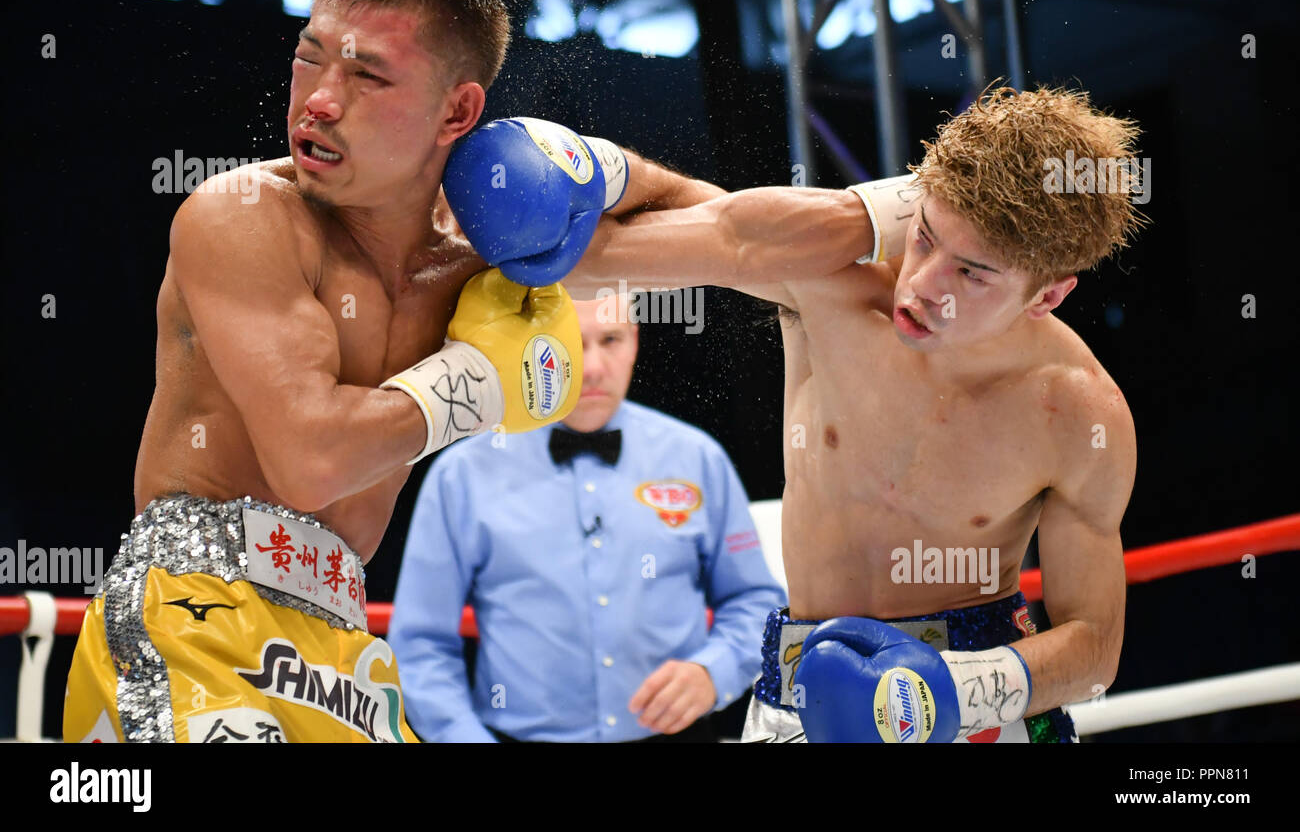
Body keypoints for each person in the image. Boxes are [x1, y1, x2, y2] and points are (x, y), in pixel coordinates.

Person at [61, 0, 615, 744]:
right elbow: (311, 459)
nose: (318, 101)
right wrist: (477, 382)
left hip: (343, 650)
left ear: (457, 113)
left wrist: (879, 212)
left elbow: (727, 239)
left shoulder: (473, 259)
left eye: (368, 78)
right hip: (194, 612)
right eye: (308, 59)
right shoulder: (242, 215)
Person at [458, 84, 1142, 742]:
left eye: (974, 274)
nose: (924, 286)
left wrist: (948, 689)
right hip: (795, 692)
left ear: (1047, 296)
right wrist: (590, 174)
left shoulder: (1079, 413)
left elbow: (1095, 649)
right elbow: (677, 230)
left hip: (973, 705)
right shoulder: (832, 277)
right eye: (927, 239)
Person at [389, 297, 784, 742]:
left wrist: (713, 672)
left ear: (635, 341)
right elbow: (420, 645)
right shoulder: (462, 474)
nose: (592, 368)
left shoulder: (697, 459)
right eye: (572, 345)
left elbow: (756, 603)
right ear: (534, 349)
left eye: (610, 340)